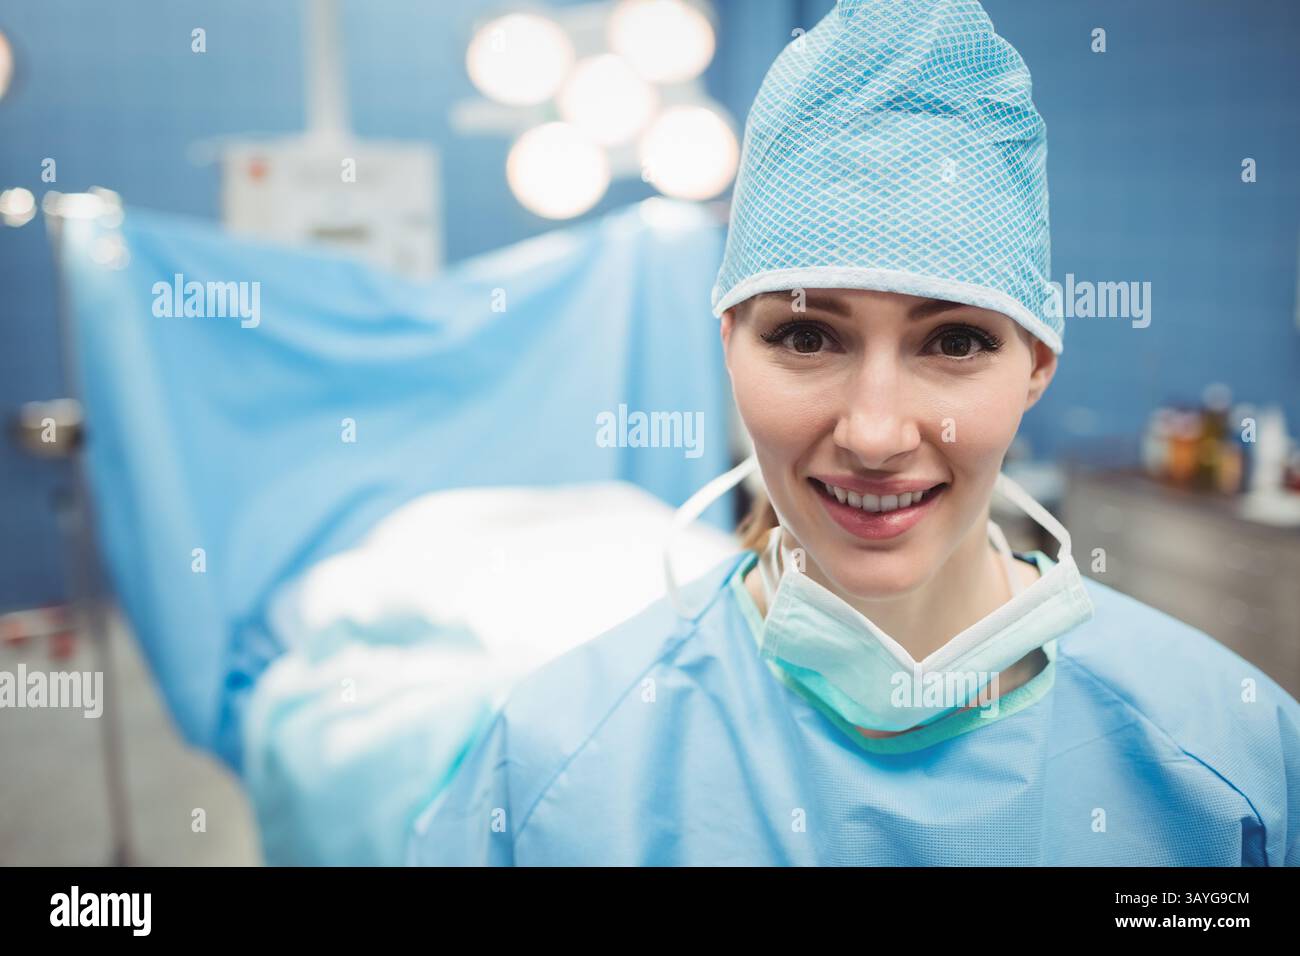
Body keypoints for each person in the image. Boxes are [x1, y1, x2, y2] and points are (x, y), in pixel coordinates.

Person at [407, 0, 1300, 865]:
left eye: (954, 340)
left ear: (1037, 365)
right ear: (728, 344)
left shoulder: (1229, 771)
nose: (875, 434)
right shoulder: (555, 769)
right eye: (806, 336)